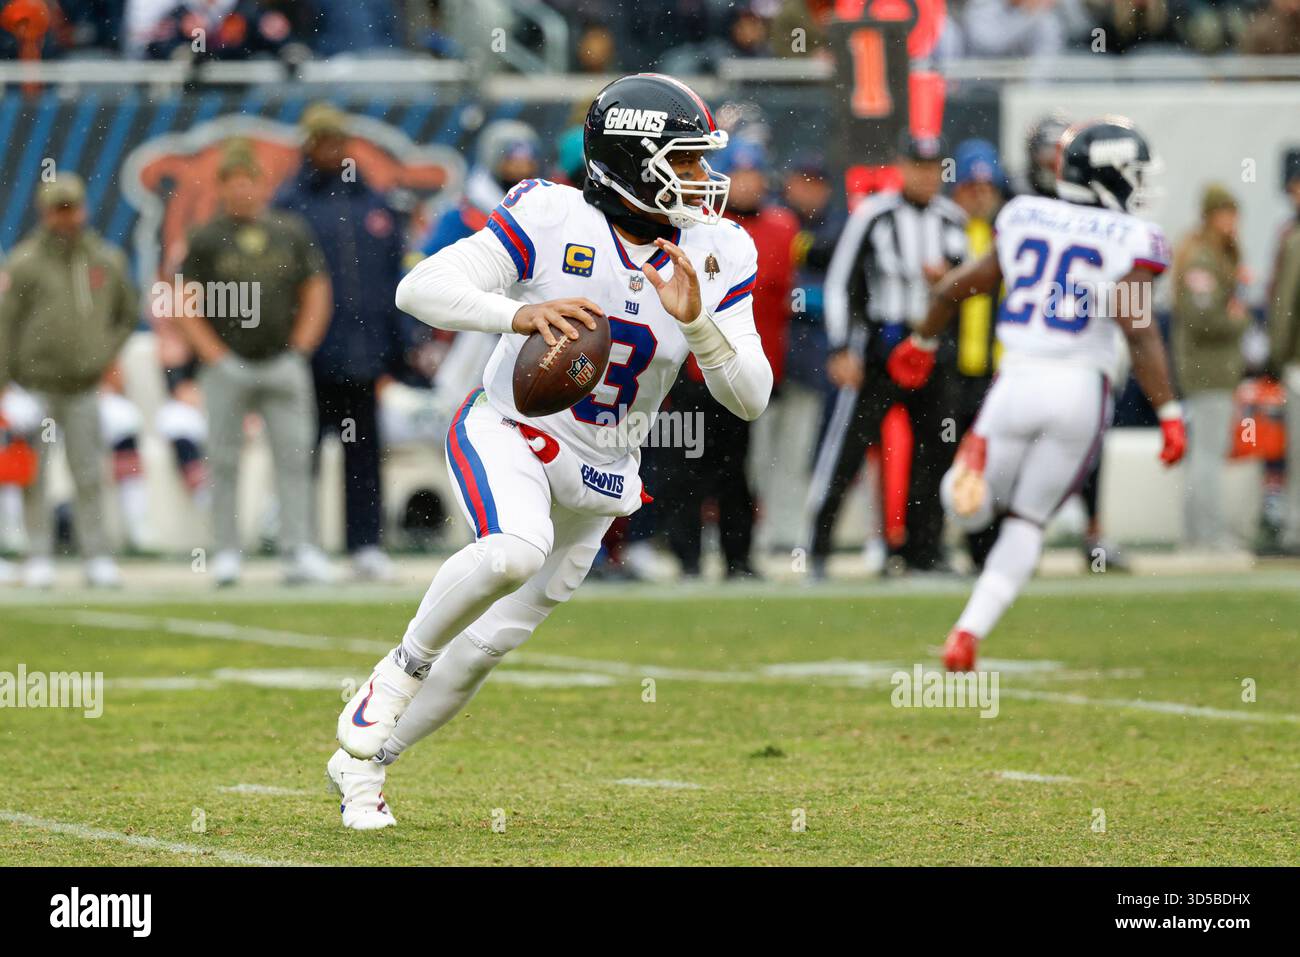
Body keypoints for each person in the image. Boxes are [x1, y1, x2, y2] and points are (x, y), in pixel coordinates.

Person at [325, 73, 771, 830]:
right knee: (512, 551)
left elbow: (749, 395)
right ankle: (394, 673)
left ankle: (362, 765)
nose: (703, 179)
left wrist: (698, 326)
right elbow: (419, 289)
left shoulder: (720, 248)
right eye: (686, 161)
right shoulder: (552, 212)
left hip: (603, 468)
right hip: (511, 429)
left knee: (487, 644)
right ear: (634, 161)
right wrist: (522, 313)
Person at [890, 117, 1186, 672]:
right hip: (1079, 390)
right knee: (1026, 523)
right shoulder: (1132, 238)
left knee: (967, 505)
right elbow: (1139, 330)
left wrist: (922, 338)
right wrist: (1169, 411)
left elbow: (957, 286)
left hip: (1016, 382)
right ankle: (966, 633)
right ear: (1110, 178)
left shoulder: (1026, 214)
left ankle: (969, 475)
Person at [175, 139, 335, 587]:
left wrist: (301, 347)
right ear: (223, 188)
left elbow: (316, 289)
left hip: (282, 360)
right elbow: (185, 301)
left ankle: (297, 548)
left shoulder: (291, 230)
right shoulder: (205, 237)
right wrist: (214, 355)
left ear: (263, 186)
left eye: (250, 183)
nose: (244, 192)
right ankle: (226, 550)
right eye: (235, 184)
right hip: (227, 364)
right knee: (222, 459)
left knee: (295, 456)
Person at [807, 132, 967, 576]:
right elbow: (839, 283)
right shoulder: (874, 215)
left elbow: (968, 286)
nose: (926, 175)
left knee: (935, 450)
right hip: (883, 346)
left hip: (932, 349)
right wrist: (841, 346)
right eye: (918, 166)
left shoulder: (951, 219)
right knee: (848, 450)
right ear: (901, 166)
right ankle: (818, 548)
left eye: (933, 167)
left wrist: (950, 279)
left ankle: (921, 550)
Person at [276, 103, 412, 582]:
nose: (332, 149)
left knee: (363, 456)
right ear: (309, 146)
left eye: (338, 140)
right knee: (302, 453)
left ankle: (366, 545)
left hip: (365, 352)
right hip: (310, 355)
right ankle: (301, 543)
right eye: (323, 141)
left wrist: (399, 349)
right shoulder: (289, 207)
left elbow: (393, 280)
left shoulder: (374, 205)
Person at [661, 139, 797, 578]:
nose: (745, 183)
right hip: (694, 368)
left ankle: (738, 557)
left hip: (745, 368)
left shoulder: (782, 228)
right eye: (738, 174)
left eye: (753, 174)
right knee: (687, 466)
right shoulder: (699, 228)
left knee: (737, 470)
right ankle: (687, 558)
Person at [0, 173, 138, 589]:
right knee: (34, 475)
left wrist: (104, 353)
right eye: (58, 209)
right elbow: (6, 325)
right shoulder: (24, 262)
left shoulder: (105, 259)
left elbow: (126, 314)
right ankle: (38, 555)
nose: (66, 217)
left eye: (71, 208)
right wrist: (6, 384)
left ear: (84, 209)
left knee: (89, 472)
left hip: (83, 386)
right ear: (45, 212)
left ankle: (96, 555)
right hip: (37, 385)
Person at [1172, 184, 1249, 550]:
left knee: (1202, 454)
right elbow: (1202, 318)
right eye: (1225, 213)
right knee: (1207, 456)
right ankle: (1208, 536)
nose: (1232, 222)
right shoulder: (1202, 259)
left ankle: (1197, 535)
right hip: (1208, 371)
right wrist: (1239, 319)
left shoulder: (1214, 256)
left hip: (1212, 370)